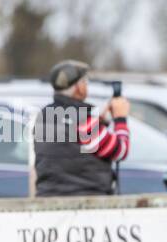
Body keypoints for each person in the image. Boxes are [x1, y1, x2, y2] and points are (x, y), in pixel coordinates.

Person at [34, 60, 130, 197]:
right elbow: (120, 151)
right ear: (78, 88)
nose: (86, 85)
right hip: (85, 201)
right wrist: (121, 119)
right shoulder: (83, 120)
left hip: (49, 198)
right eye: (85, 82)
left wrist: (100, 121)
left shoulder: (44, 116)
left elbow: (69, 144)